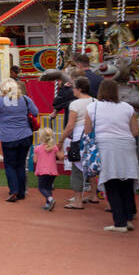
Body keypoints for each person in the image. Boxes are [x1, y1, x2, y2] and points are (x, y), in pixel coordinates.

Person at [82, 78, 139, 232]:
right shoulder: (128, 108)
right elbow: (136, 131)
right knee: (127, 182)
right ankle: (128, 218)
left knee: (112, 183)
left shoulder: (92, 107)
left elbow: (88, 131)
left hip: (106, 148)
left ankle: (119, 222)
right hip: (127, 147)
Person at [0, 78, 38, 202]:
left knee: (10, 165)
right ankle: (21, 191)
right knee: (20, 164)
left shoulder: (0, 101)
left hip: (8, 136)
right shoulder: (25, 99)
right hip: (25, 135)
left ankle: (14, 190)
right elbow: (35, 112)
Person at [59, 77, 96, 209]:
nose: (72, 90)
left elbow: (70, 126)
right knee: (92, 167)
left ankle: (78, 199)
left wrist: (61, 140)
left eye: (74, 87)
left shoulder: (74, 104)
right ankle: (94, 194)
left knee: (77, 169)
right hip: (92, 138)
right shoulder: (95, 102)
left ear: (79, 89)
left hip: (79, 138)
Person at [33, 127, 61, 211]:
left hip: (42, 171)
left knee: (41, 188)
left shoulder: (37, 148)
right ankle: (47, 204)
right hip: (52, 171)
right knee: (48, 187)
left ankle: (50, 199)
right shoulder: (54, 147)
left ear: (41, 138)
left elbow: (35, 160)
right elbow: (60, 157)